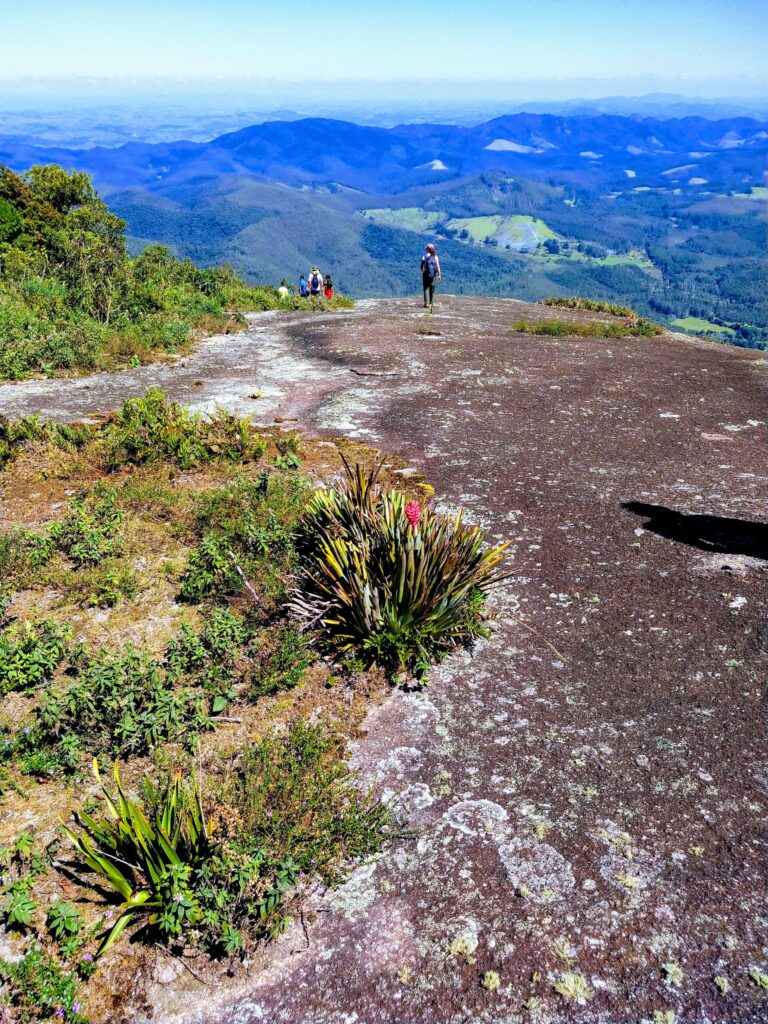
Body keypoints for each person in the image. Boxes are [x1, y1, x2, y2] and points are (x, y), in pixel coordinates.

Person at [420, 243, 441, 310]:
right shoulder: (435, 256)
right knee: (432, 289)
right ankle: (431, 303)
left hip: (426, 273)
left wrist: (423, 270)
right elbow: (437, 266)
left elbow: (421, 265)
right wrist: (439, 275)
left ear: (428, 249)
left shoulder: (425, 256)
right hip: (433, 274)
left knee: (426, 288)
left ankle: (426, 303)